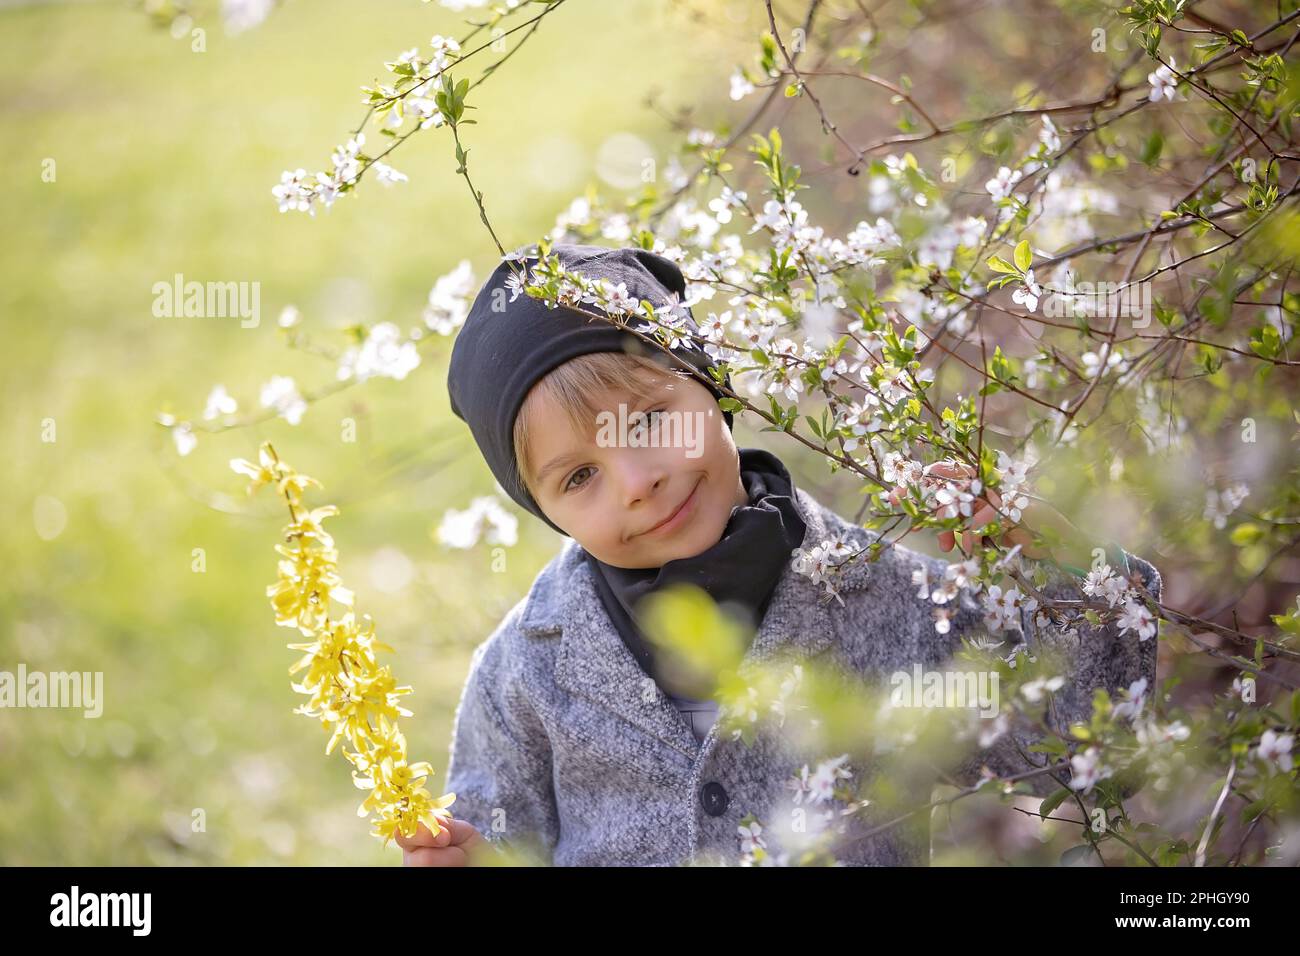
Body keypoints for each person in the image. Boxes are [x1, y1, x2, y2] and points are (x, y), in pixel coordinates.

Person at [396, 242, 1162, 866]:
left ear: (712, 386)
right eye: (580, 476)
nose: (638, 481)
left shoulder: (883, 597)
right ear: (546, 509)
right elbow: (500, 836)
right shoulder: (527, 666)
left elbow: (1083, 759)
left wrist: (1071, 583)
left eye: (650, 421)